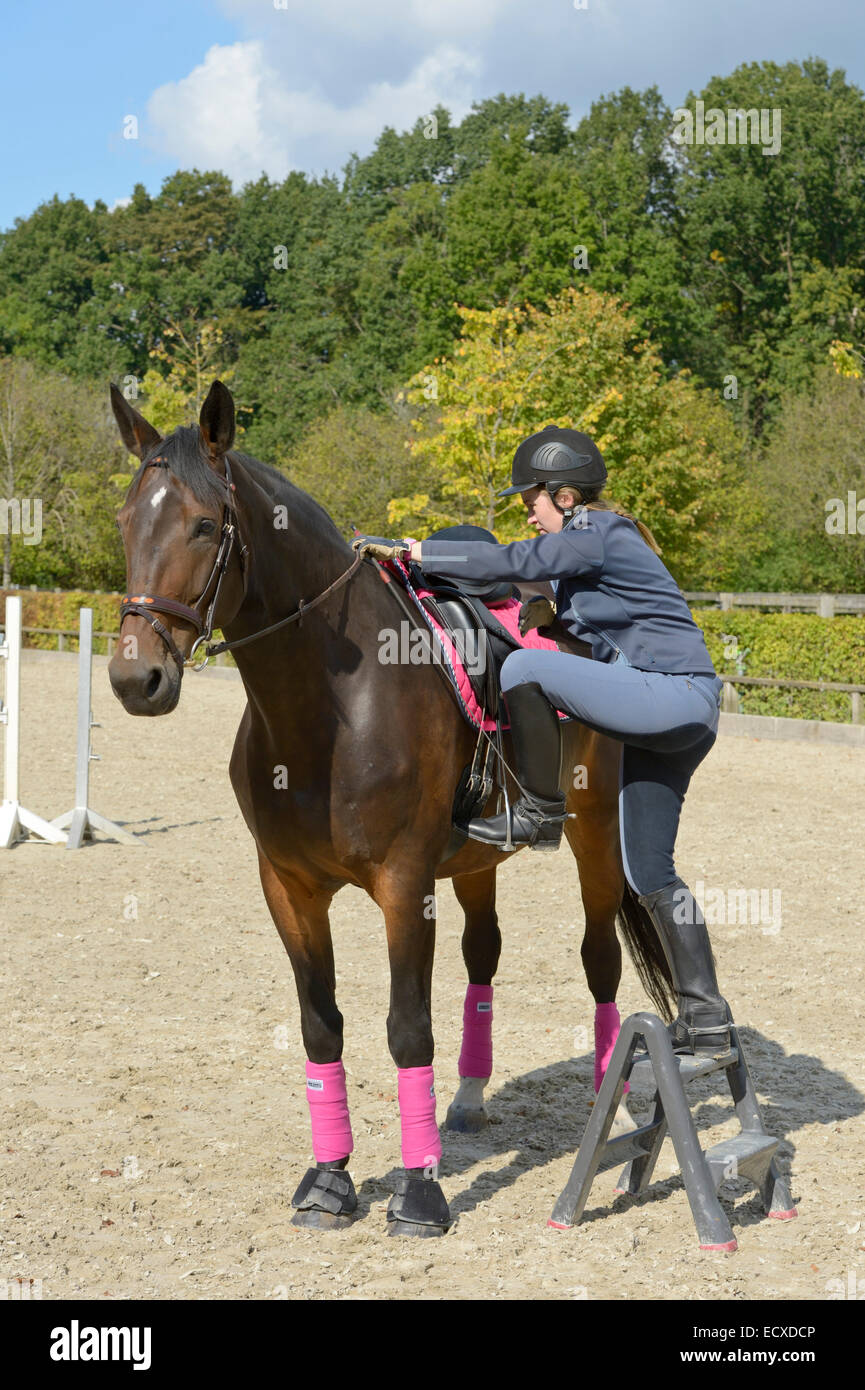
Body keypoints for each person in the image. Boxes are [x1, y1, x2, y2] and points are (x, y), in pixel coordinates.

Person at [353, 425, 730, 1053]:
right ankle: (706, 1014)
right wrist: (552, 612)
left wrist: (417, 552)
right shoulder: (596, 549)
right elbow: (570, 598)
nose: (527, 508)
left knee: (523, 668)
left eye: (532, 496)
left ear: (566, 493)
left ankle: (539, 810)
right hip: (680, 713)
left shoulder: (596, 530)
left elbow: (515, 560)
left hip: (669, 694)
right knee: (649, 871)